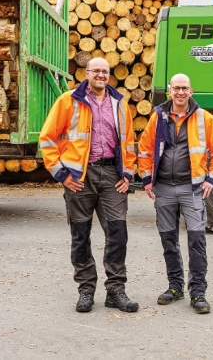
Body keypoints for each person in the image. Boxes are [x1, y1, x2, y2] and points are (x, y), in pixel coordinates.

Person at [39, 57, 139, 314]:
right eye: (96, 71)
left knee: (118, 233)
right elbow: (47, 138)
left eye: (105, 71)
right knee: (80, 234)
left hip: (112, 175)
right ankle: (86, 290)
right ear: (87, 73)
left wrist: (127, 173)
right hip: (79, 177)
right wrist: (62, 174)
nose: (101, 75)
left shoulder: (119, 103)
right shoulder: (69, 100)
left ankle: (116, 290)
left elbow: (128, 141)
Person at [138, 73, 213, 314]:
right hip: (164, 188)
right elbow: (145, 149)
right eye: (176, 88)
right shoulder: (158, 117)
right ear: (169, 91)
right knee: (168, 240)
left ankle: (198, 293)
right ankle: (175, 287)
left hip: (192, 188)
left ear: (191, 92)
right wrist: (146, 179)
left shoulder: (203, 118)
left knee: (197, 241)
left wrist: (211, 179)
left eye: (184, 88)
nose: (180, 92)